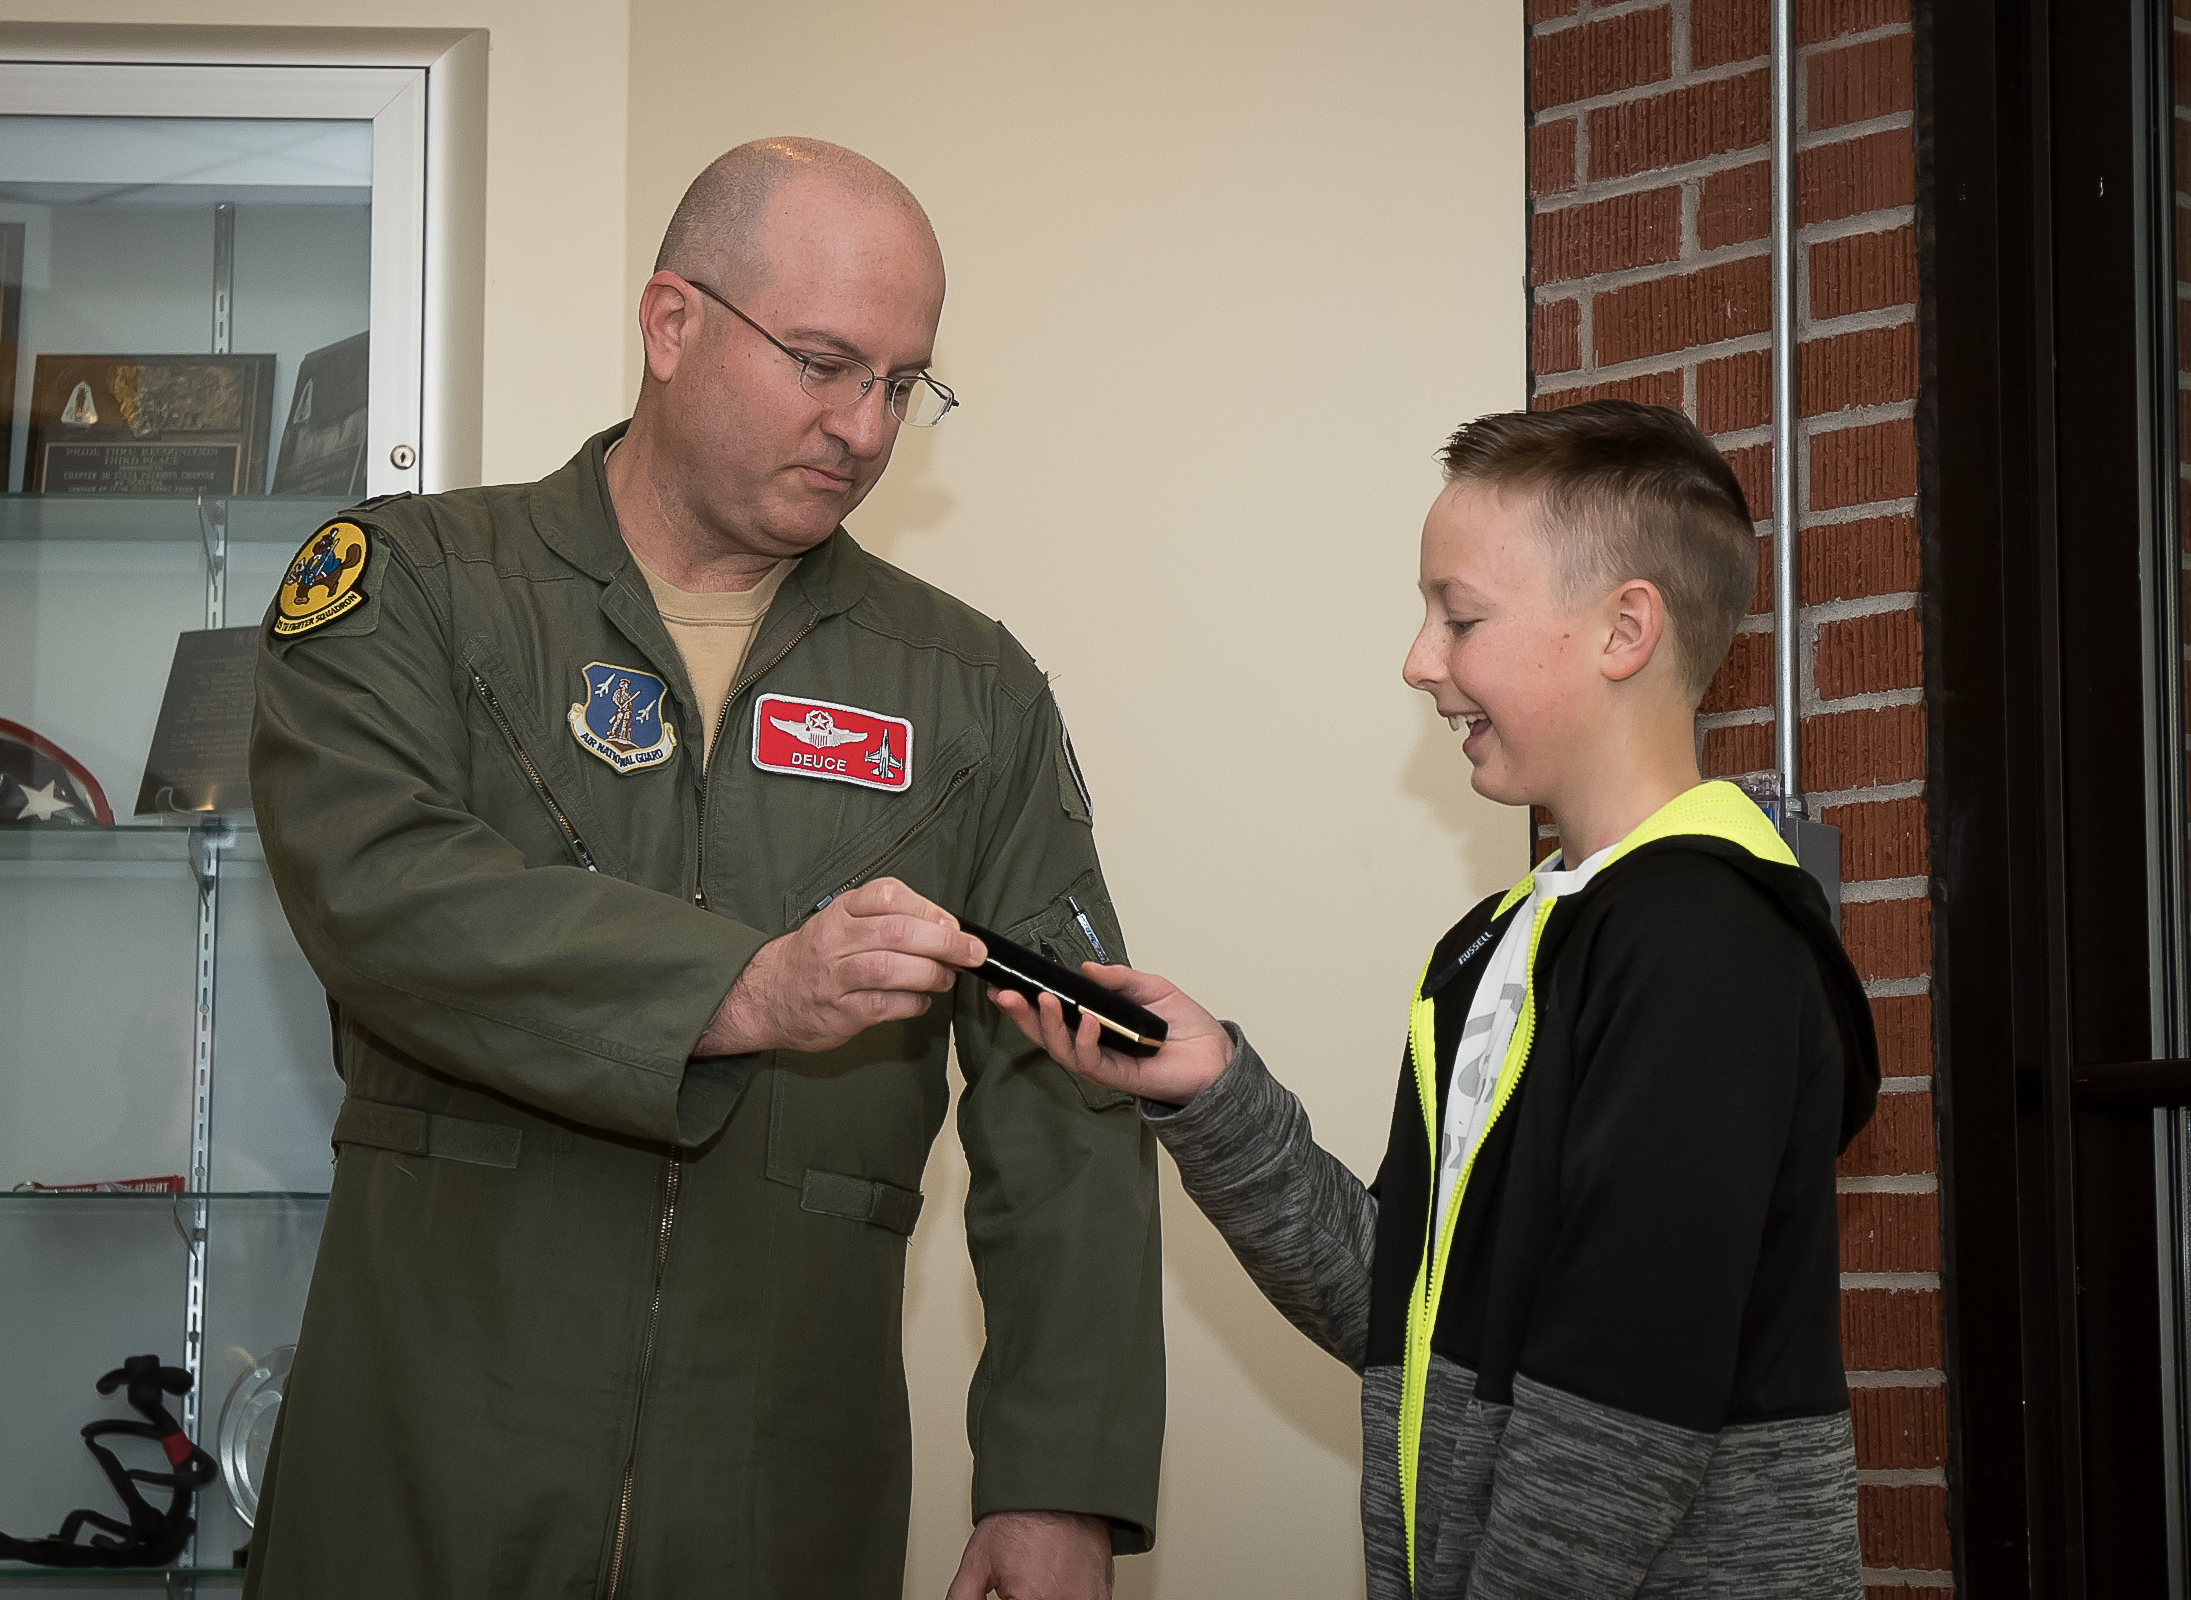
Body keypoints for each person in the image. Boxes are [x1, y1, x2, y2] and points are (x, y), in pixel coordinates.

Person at [246, 137, 1161, 1600]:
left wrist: (1060, 1480)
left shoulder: (967, 686)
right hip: (433, 1452)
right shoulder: (411, 587)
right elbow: (383, 893)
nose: (864, 428)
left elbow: (1068, 1083)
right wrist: (746, 988)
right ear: (672, 323)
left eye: (901, 385)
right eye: (822, 362)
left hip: (783, 1477)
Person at [994, 401, 1879, 1598]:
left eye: (1459, 616)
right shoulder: (1492, 950)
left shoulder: (1703, 945)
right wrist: (1212, 1095)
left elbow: (1621, 1421)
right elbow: (1397, 1310)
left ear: (1626, 628)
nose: (1419, 659)